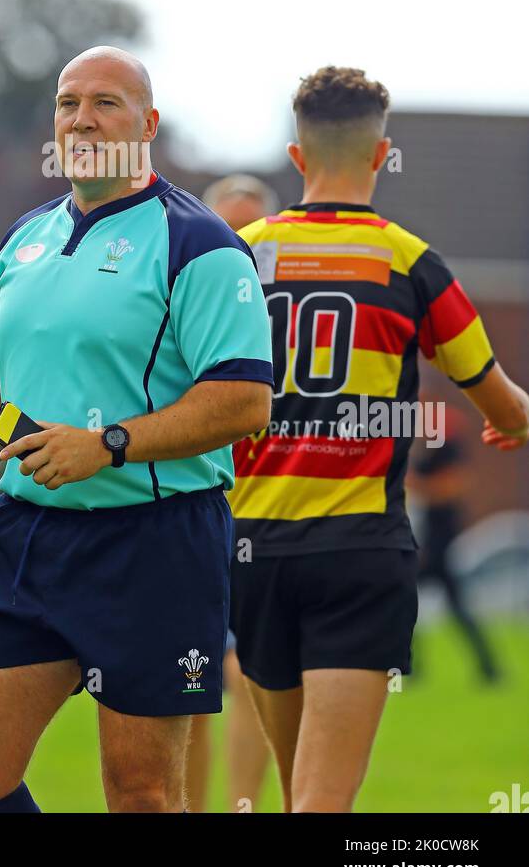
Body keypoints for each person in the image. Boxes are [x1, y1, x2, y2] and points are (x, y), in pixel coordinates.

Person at [0, 46, 273, 814]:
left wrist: (107, 443)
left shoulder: (205, 245)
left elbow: (245, 403)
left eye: (106, 102)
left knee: (142, 793)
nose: (82, 117)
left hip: (155, 544)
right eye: (68, 101)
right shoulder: (24, 239)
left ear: (147, 123)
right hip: (24, 537)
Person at [228, 66, 529, 813]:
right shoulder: (410, 262)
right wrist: (514, 420)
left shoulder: (239, 255)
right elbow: (495, 393)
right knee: (321, 803)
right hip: (358, 550)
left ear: (297, 159)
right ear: (379, 154)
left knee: (296, 782)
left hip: (250, 551)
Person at [186, 175, 277, 813]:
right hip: (191, 512)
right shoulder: (186, 301)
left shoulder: (282, 318)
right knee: (187, 680)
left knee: (248, 677)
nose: (243, 243)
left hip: (267, 518)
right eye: (231, 229)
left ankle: (242, 806)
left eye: (254, 229)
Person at [409, 405, 500, 682]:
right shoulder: (425, 455)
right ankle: (487, 668)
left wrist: (416, 486)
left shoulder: (447, 452)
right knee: (444, 609)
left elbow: (452, 486)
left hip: (439, 547)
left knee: (406, 602)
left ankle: (413, 668)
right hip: (429, 547)